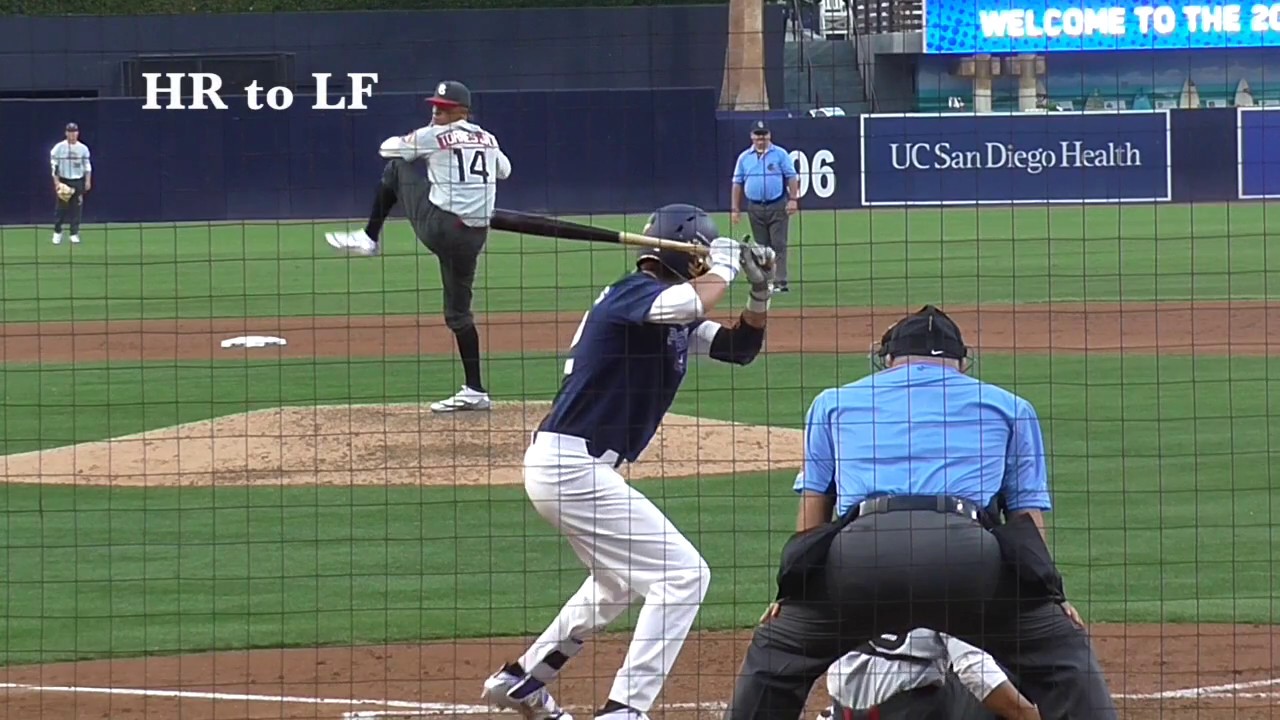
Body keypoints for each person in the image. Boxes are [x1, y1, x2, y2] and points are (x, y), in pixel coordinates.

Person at [724, 305, 1117, 720]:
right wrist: (1051, 598)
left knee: (776, 657)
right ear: (961, 362)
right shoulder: (1010, 407)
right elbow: (1025, 520)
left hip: (862, 556)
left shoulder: (833, 403)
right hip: (965, 557)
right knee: (1064, 659)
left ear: (889, 358)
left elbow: (813, 514)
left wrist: (790, 595)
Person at [480, 204, 776, 720]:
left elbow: (737, 348)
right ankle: (626, 708)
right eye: (702, 257)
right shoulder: (631, 295)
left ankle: (521, 680)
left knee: (615, 584)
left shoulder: (665, 311)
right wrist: (726, 264)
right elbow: (687, 303)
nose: (707, 267)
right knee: (685, 577)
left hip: (573, 469)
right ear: (685, 255)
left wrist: (758, 291)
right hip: (571, 467)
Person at [325, 80, 510, 413]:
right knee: (458, 313)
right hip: (474, 236)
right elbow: (505, 171)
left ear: (461, 110)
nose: (437, 111)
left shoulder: (434, 136)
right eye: (434, 106)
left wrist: (425, 136)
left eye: (443, 107)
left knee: (396, 168)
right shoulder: (489, 138)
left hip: (442, 228)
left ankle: (369, 238)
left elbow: (387, 149)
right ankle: (475, 389)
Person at [818, 629, 1039, 720]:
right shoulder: (946, 574)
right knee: (1011, 675)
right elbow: (976, 671)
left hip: (845, 708)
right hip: (910, 710)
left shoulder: (846, 560)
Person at [729, 120, 798, 292]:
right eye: (758, 136)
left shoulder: (780, 154)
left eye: (764, 136)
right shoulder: (744, 157)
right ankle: (764, 281)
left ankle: (780, 281)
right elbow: (737, 182)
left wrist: (793, 199)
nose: (761, 139)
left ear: (769, 135)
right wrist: (735, 209)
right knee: (761, 247)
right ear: (752, 136)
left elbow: (791, 176)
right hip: (754, 206)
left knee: (778, 243)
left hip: (777, 204)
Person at [50, 122, 92, 245]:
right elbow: (54, 166)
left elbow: (87, 166)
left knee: (77, 208)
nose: (72, 134)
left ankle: (74, 233)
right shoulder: (59, 148)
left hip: (77, 180)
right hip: (64, 180)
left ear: (77, 133)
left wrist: (88, 181)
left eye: (74, 132)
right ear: (66, 133)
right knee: (61, 209)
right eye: (70, 132)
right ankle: (57, 232)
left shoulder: (83, 148)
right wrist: (57, 183)